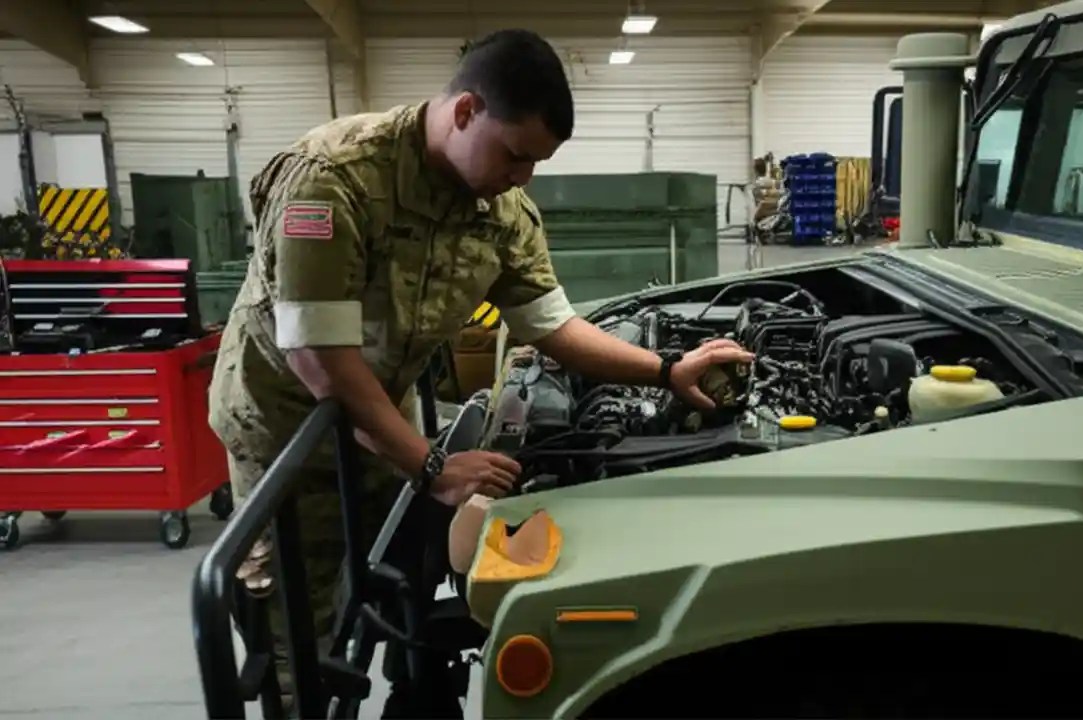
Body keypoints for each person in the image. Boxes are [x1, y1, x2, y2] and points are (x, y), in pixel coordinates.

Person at [207, 27, 753, 716]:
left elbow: (553, 326)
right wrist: (433, 467)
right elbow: (321, 361)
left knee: (382, 587)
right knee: (297, 637)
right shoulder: (333, 180)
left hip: (383, 416)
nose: (523, 177)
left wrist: (667, 370)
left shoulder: (502, 209)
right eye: (516, 154)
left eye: (537, 163)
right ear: (465, 111)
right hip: (289, 434)